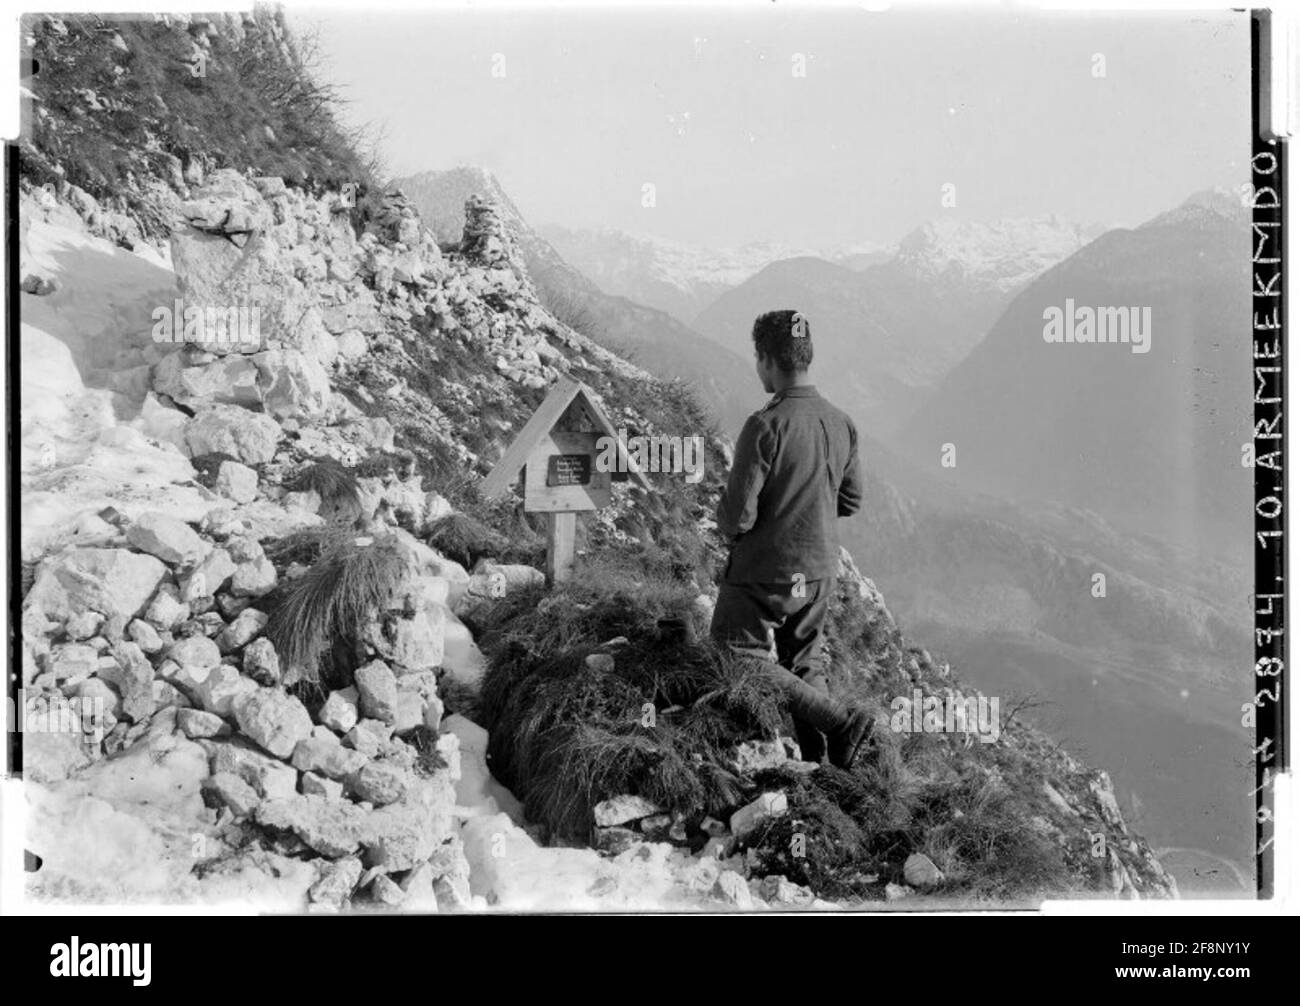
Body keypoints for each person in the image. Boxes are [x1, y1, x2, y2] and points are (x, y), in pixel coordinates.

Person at [710, 309, 875, 769]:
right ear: (807, 355)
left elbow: (739, 517)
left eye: (757, 358)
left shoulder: (765, 425)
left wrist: (723, 521)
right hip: (819, 571)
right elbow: (852, 500)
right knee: (805, 664)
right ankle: (827, 769)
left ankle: (842, 723)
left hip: (767, 571)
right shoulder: (842, 422)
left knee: (735, 652)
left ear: (766, 359)